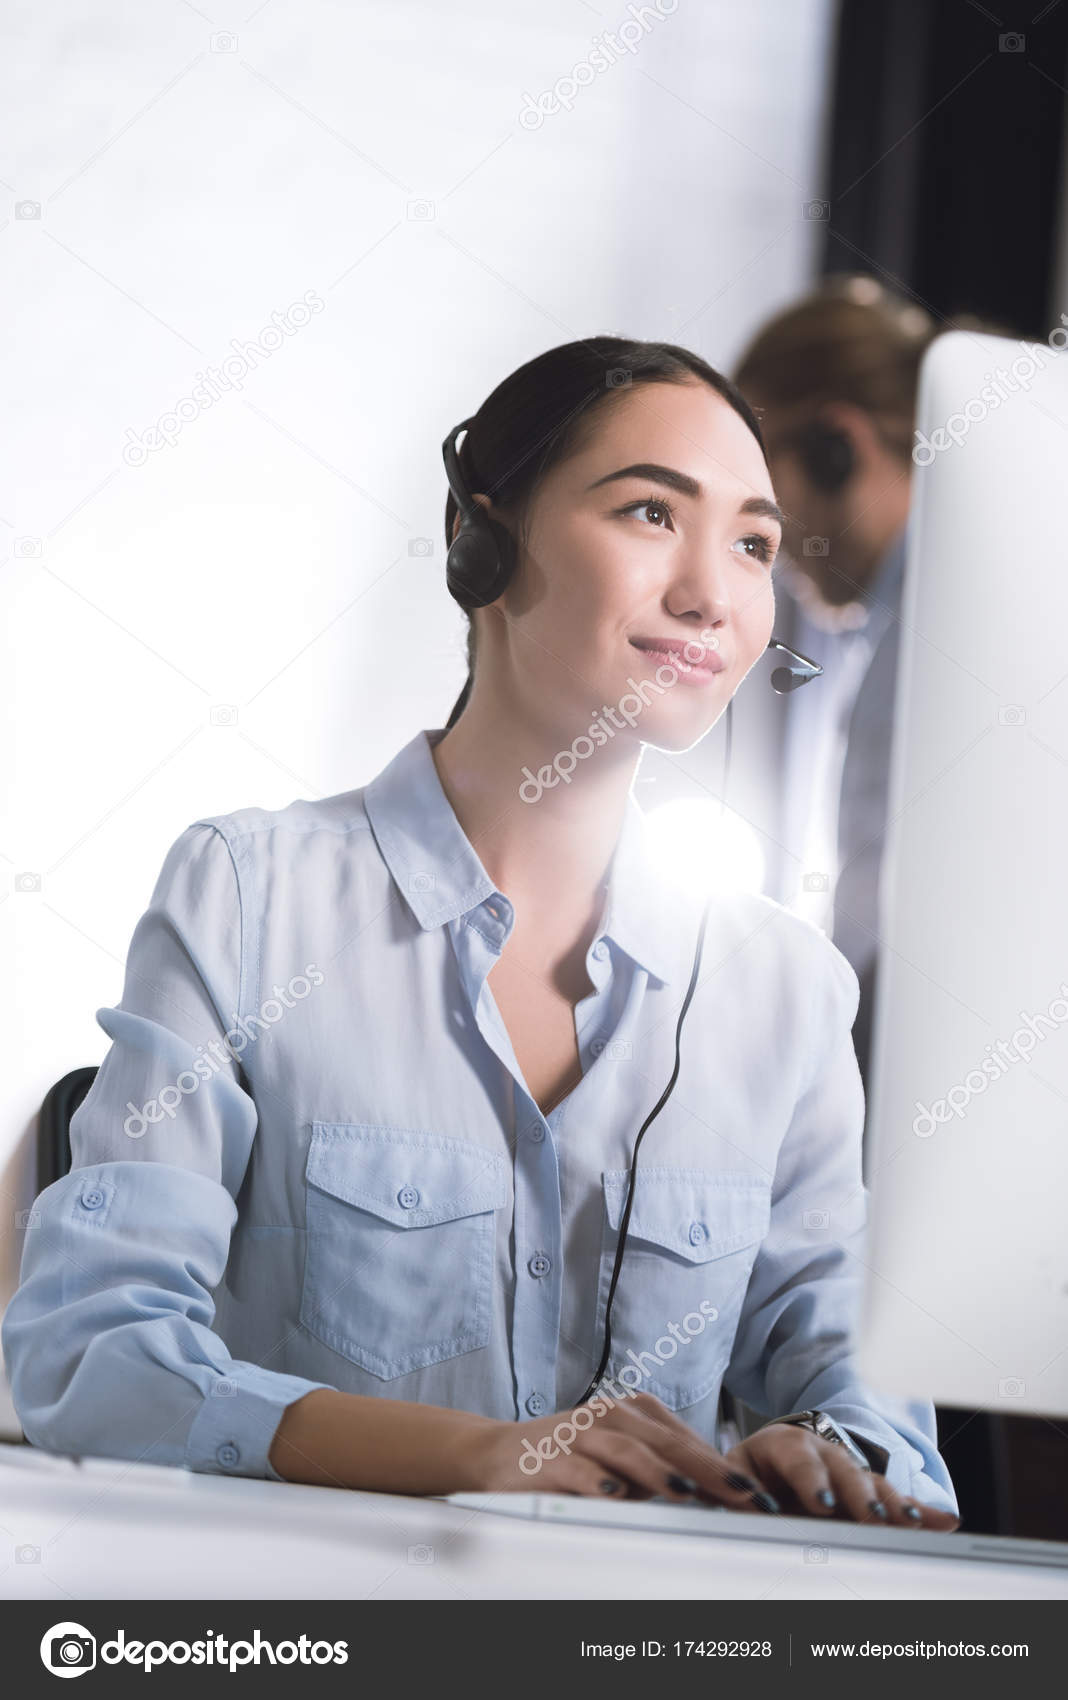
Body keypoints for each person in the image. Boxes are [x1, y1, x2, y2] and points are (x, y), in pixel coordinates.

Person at [1, 336, 959, 1530]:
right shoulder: (250, 895)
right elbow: (89, 1359)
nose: (715, 593)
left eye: (755, 543)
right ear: (484, 542)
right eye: (652, 511)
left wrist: (821, 1447)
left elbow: (884, 1423)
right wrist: (481, 1453)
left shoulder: (785, 988)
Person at [731, 276, 937, 1097]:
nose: (768, 549)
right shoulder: (913, 618)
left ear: (834, 444)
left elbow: (881, 937)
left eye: (761, 497)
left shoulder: (932, 635)